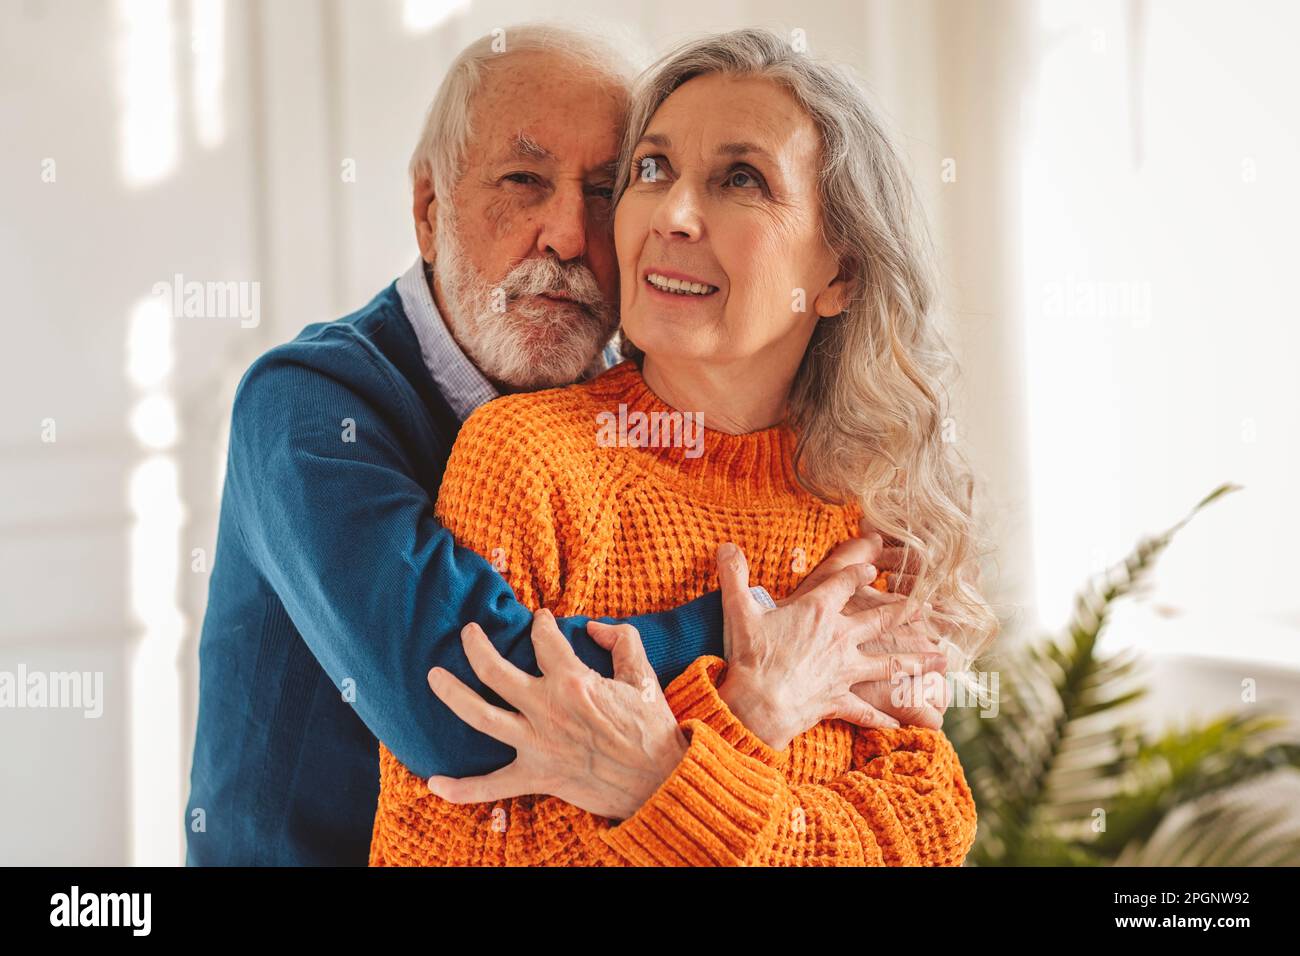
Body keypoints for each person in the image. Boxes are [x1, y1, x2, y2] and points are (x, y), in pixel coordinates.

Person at [184, 23, 945, 866]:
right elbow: (464, 709)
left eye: (607, 187)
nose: (567, 237)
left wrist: (688, 775)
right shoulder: (307, 406)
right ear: (429, 212)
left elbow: (916, 815)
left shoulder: (659, 407)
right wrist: (768, 642)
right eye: (523, 179)